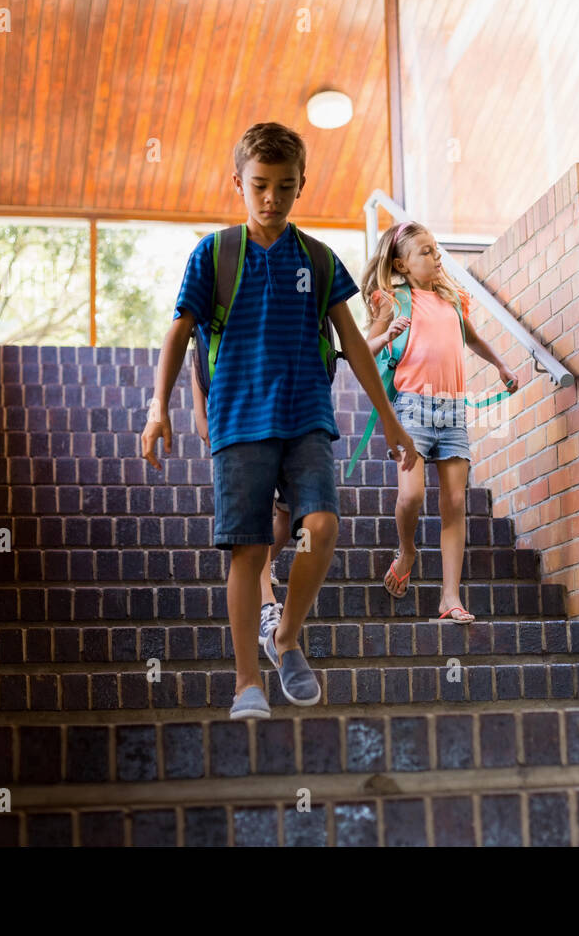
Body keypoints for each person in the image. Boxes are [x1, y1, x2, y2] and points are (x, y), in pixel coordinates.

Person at [141, 122, 416, 720]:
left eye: (285, 187)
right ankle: (246, 684)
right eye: (260, 185)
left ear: (301, 187)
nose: (271, 198)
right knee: (247, 548)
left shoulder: (317, 259)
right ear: (238, 182)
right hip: (238, 423)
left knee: (321, 527)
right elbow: (179, 331)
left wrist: (390, 420)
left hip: (307, 418)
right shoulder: (214, 253)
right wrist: (159, 407)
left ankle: (286, 635)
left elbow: (353, 343)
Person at [362, 221, 517, 623]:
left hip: (452, 411)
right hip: (412, 409)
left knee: (454, 503)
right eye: (425, 252)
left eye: (436, 249)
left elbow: (471, 338)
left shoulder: (454, 299)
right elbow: (363, 349)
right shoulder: (393, 299)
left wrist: (500, 366)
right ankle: (408, 550)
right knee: (411, 496)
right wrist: (387, 333)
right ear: (402, 264)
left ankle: (450, 596)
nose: (436, 257)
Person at [190, 359, 289, 647]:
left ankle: (264, 562)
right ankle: (267, 605)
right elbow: (198, 344)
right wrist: (200, 414)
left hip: (283, 410)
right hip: (239, 418)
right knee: (258, 512)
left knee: (291, 511)